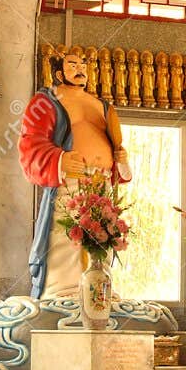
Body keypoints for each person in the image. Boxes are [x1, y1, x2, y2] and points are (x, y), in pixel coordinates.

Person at [18, 47, 130, 299]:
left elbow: (115, 144)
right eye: (72, 64)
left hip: (101, 183)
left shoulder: (101, 106)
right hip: (69, 182)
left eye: (83, 64)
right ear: (58, 71)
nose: (80, 69)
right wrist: (60, 160)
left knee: (102, 236)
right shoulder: (46, 102)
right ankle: (64, 288)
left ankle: (100, 286)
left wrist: (120, 160)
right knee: (67, 237)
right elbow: (29, 144)